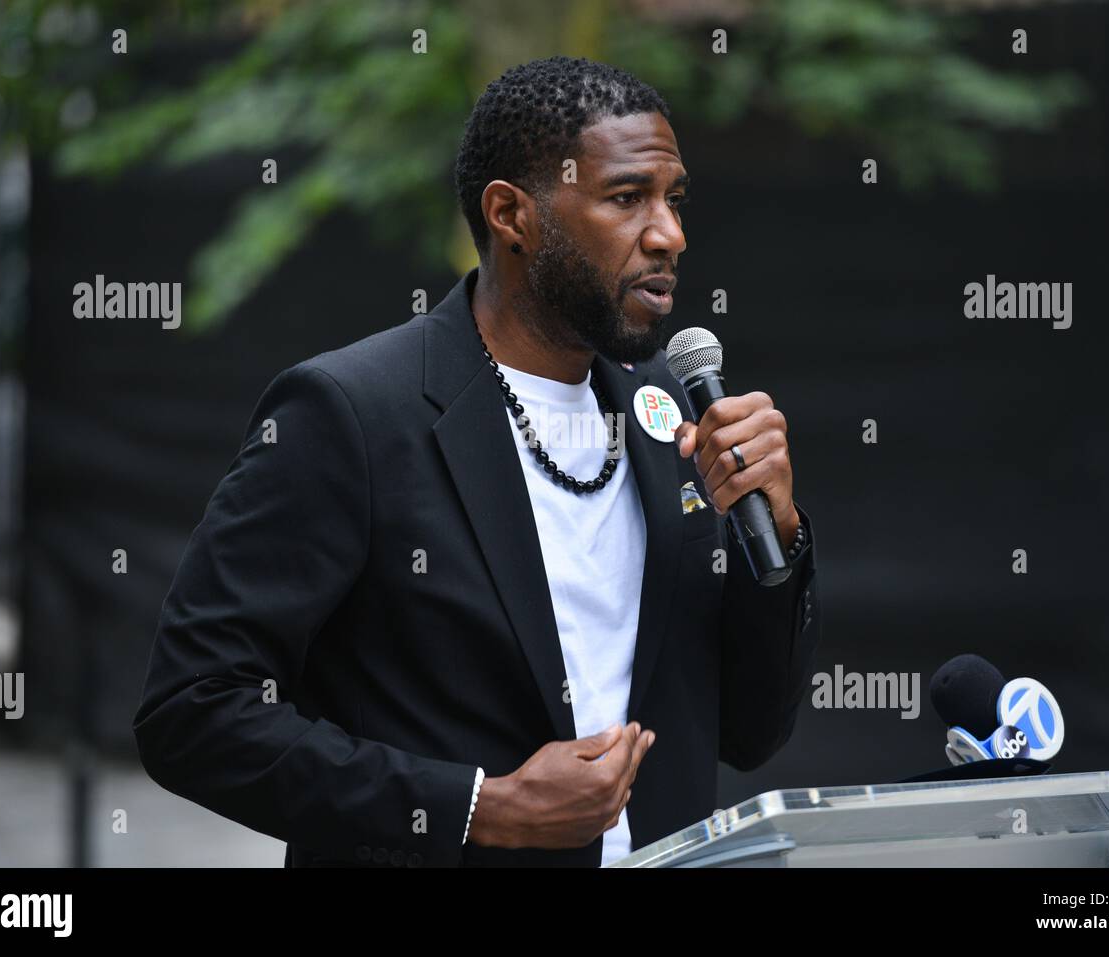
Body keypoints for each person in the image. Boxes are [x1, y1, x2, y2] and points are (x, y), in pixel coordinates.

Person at [134, 55, 821, 868]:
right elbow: (193, 711)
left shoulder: (669, 412)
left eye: (673, 200)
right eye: (627, 197)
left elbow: (748, 732)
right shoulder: (352, 413)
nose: (669, 232)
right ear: (512, 215)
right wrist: (475, 807)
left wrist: (776, 534)